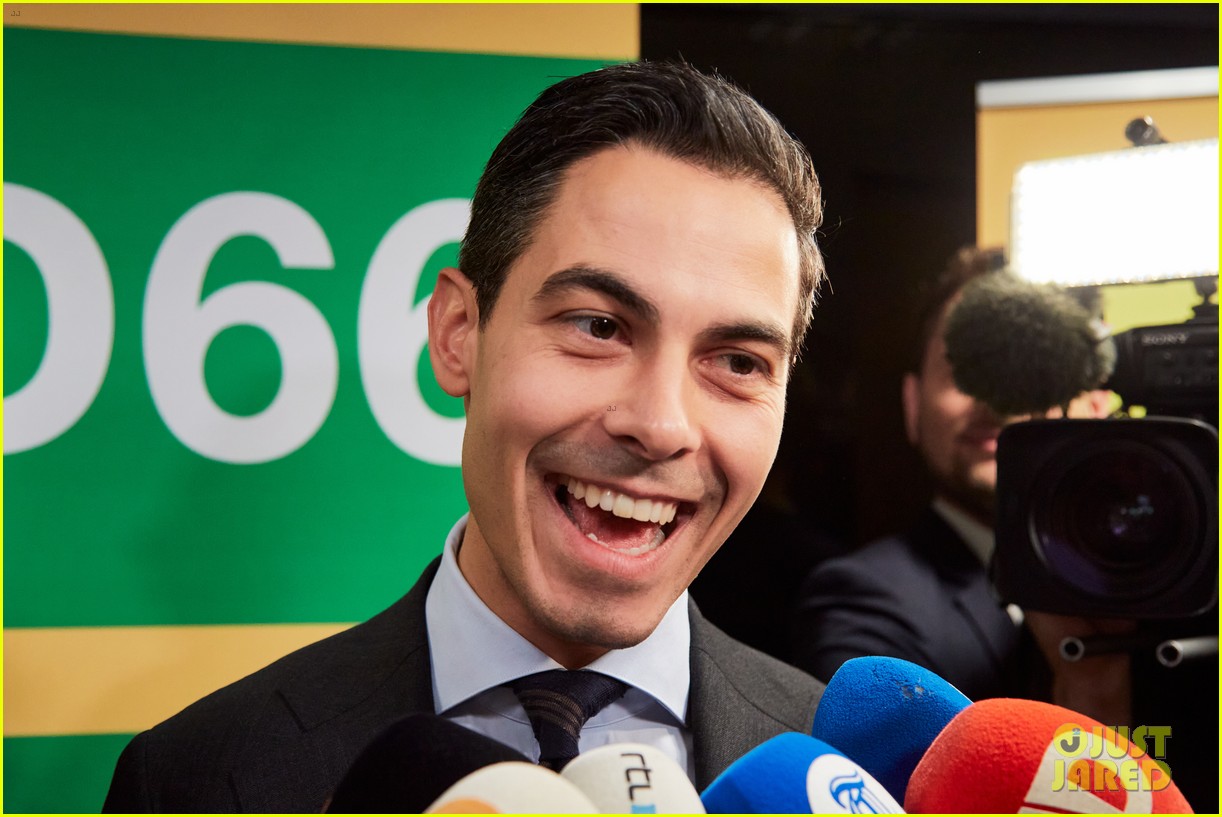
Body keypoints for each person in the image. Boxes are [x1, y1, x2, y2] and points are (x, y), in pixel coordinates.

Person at [102, 61, 827, 812]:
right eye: (599, 327)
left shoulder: (844, 768)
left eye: (738, 361)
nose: (661, 424)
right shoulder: (193, 776)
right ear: (458, 334)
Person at [788, 247, 1123, 712]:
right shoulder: (868, 604)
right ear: (912, 404)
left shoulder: (1156, 573)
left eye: (1026, 372)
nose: (996, 402)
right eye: (969, 371)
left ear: (1095, 405)